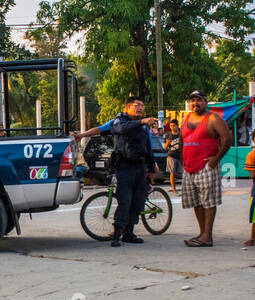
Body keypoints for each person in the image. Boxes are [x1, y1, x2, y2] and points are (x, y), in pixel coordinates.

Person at [74, 97, 156, 246]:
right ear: (127, 107)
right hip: (124, 167)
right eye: (137, 105)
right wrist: (81, 136)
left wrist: (151, 168)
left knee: (138, 202)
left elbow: (148, 148)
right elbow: (111, 129)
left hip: (139, 167)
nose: (140, 108)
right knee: (125, 201)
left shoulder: (144, 127)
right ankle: (117, 235)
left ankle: (129, 233)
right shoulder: (119, 121)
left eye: (142, 105)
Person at [179, 90, 232, 247]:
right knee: (196, 202)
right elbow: (181, 139)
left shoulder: (213, 118)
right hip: (189, 167)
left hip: (206, 166)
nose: (196, 103)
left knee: (208, 202)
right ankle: (202, 233)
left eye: (199, 100)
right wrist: (183, 160)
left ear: (206, 102)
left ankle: (207, 236)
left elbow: (227, 138)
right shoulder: (186, 118)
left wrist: (215, 160)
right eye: (193, 100)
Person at [163, 120, 183, 193]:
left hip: (180, 156)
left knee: (180, 173)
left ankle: (182, 188)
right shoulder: (168, 135)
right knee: (173, 172)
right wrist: (168, 142)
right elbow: (165, 147)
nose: (172, 127)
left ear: (177, 126)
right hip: (171, 155)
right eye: (171, 126)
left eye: (174, 125)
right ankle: (174, 189)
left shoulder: (181, 134)